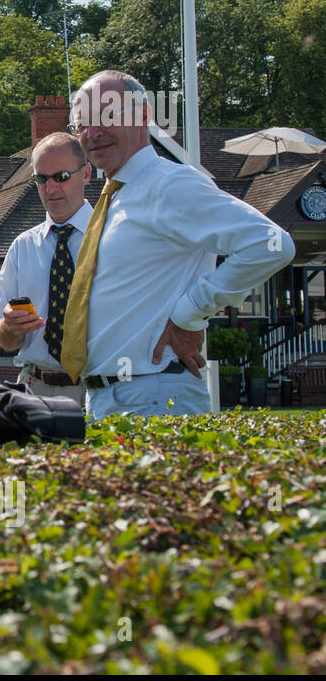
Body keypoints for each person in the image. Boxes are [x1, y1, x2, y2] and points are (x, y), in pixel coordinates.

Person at [60, 69, 295, 419]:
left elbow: (272, 243)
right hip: (112, 397)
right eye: (82, 123)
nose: (92, 133)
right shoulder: (118, 198)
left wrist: (190, 314)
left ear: (142, 115)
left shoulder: (168, 185)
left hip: (152, 395)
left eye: (107, 116)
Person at [0, 132, 92, 402]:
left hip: (99, 388)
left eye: (61, 177)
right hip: (34, 386)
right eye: (41, 179)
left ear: (86, 174)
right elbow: (4, 339)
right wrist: (10, 327)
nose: (50, 189)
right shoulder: (22, 248)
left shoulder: (113, 238)